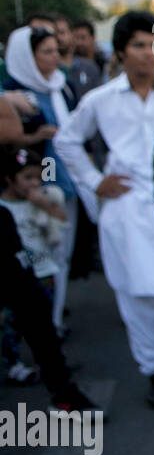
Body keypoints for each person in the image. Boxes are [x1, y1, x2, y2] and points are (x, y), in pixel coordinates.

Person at [53, 11, 154, 407]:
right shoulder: (100, 100)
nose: (149, 53)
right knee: (139, 300)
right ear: (119, 51)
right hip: (127, 209)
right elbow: (66, 142)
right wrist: (95, 180)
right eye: (138, 45)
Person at [1, 26, 79, 332]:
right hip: (26, 186)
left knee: (60, 255)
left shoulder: (62, 87)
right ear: (26, 57)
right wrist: (33, 134)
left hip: (64, 180)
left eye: (55, 51)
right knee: (30, 258)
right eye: (46, 52)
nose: (54, 58)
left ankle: (53, 322)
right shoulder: (12, 92)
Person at [0, 147, 67, 383]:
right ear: (9, 178)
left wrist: (44, 205)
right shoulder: (3, 209)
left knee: (42, 320)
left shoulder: (41, 200)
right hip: (16, 275)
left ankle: (49, 362)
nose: (34, 183)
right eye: (27, 177)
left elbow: (62, 221)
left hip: (44, 270)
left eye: (37, 177)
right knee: (12, 324)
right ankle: (14, 364)